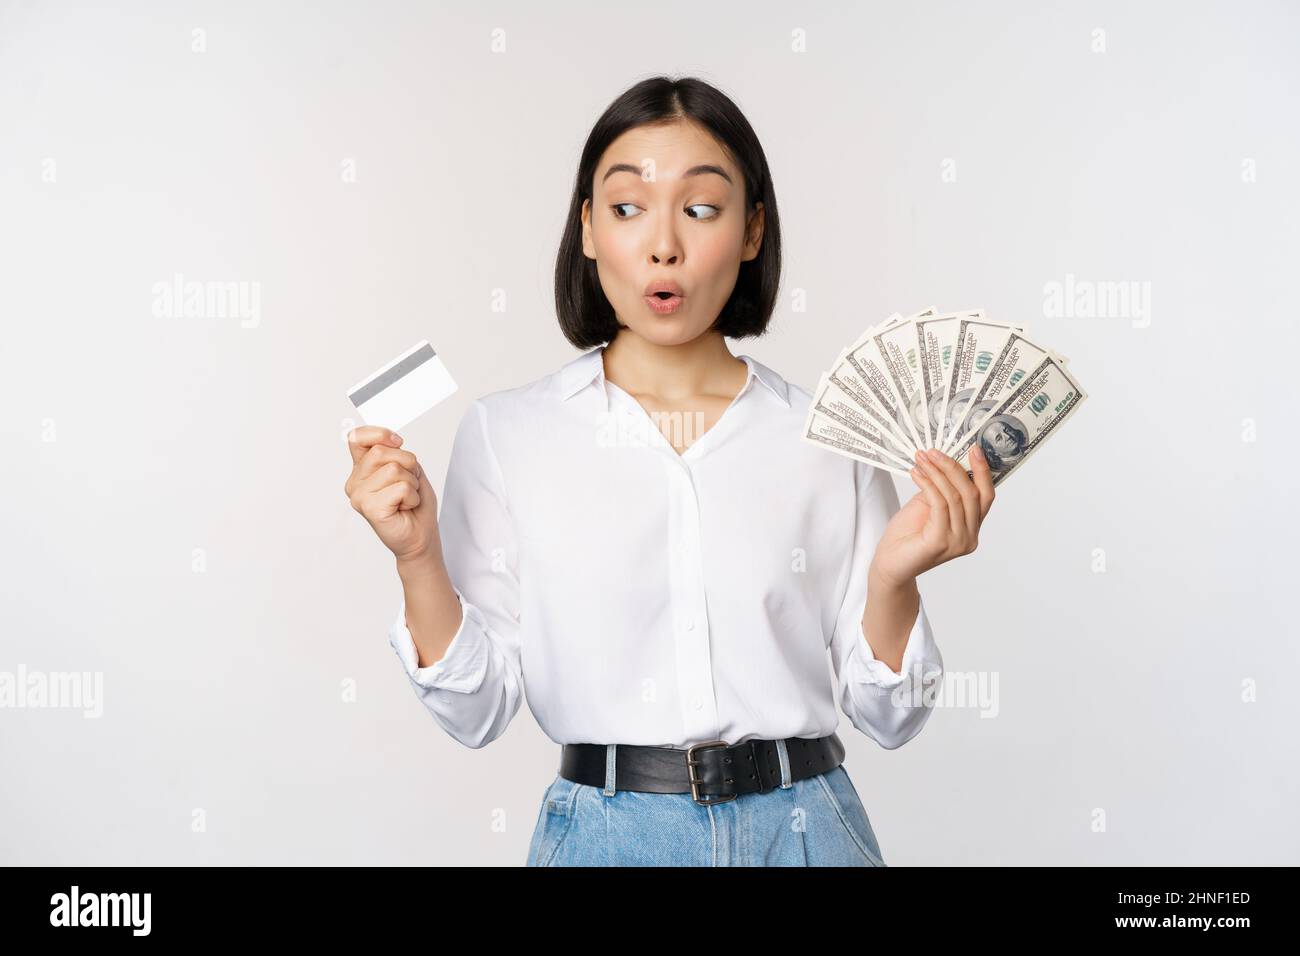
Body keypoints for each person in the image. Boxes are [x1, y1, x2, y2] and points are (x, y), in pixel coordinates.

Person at [343, 75, 995, 866]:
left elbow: (894, 718)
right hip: (608, 840)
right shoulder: (508, 433)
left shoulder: (825, 436)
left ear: (752, 231)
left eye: (701, 209)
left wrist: (895, 579)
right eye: (626, 208)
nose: (664, 244)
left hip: (807, 832)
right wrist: (417, 559)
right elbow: (475, 711)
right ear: (586, 229)